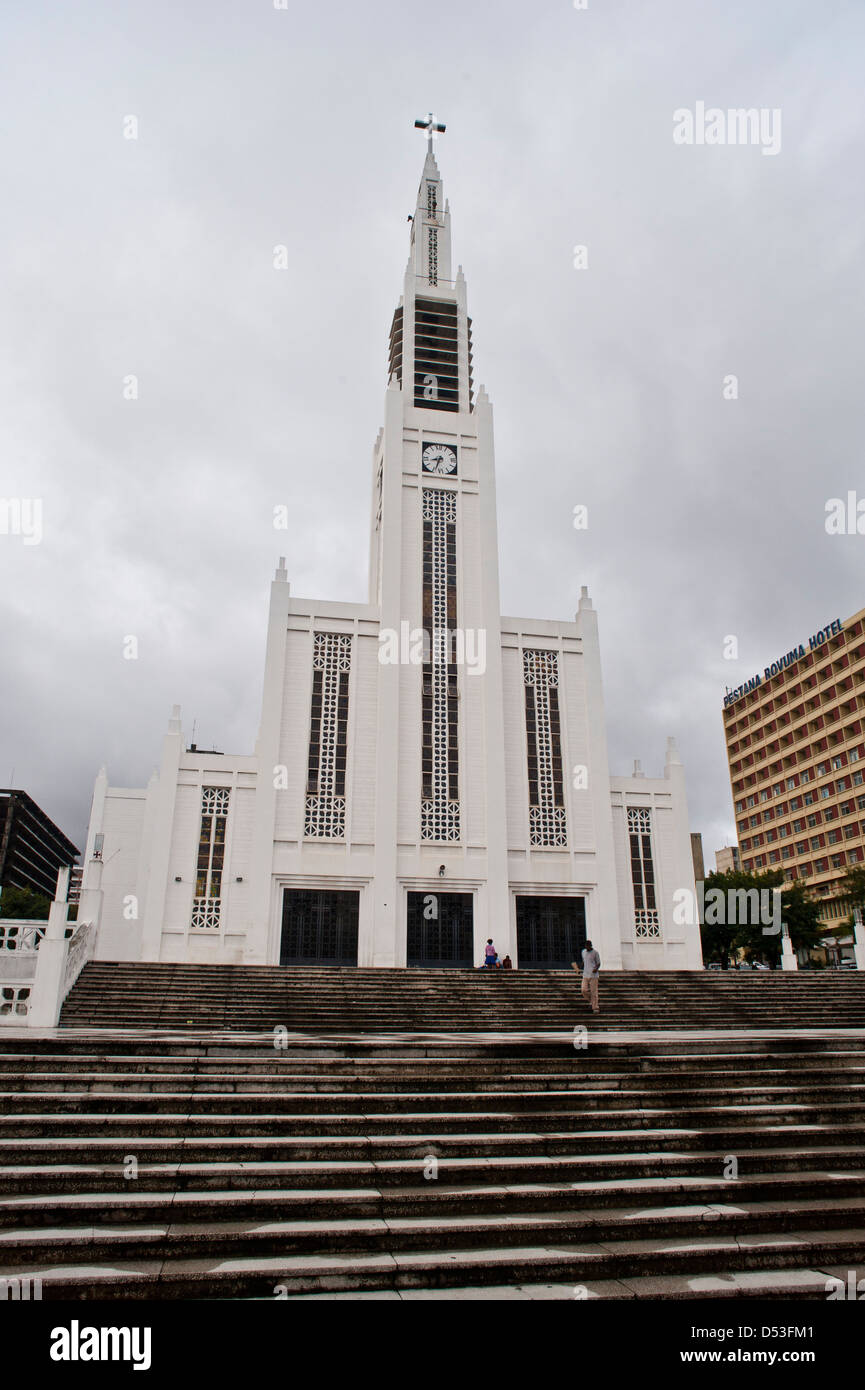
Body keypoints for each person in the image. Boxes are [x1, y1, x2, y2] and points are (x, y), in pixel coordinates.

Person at [579, 939, 600, 1013]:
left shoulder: (595, 953)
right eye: (586, 946)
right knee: (583, 990)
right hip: (585, 974)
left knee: (594, 992)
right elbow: (584, 961)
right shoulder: (583, 952)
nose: (587, 947)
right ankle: (591, 1001)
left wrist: (596, 969)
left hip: (593, 975)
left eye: (588, 946)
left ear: (590, 946)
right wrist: (579, 967)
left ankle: (595, 1007)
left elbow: (598, 963)